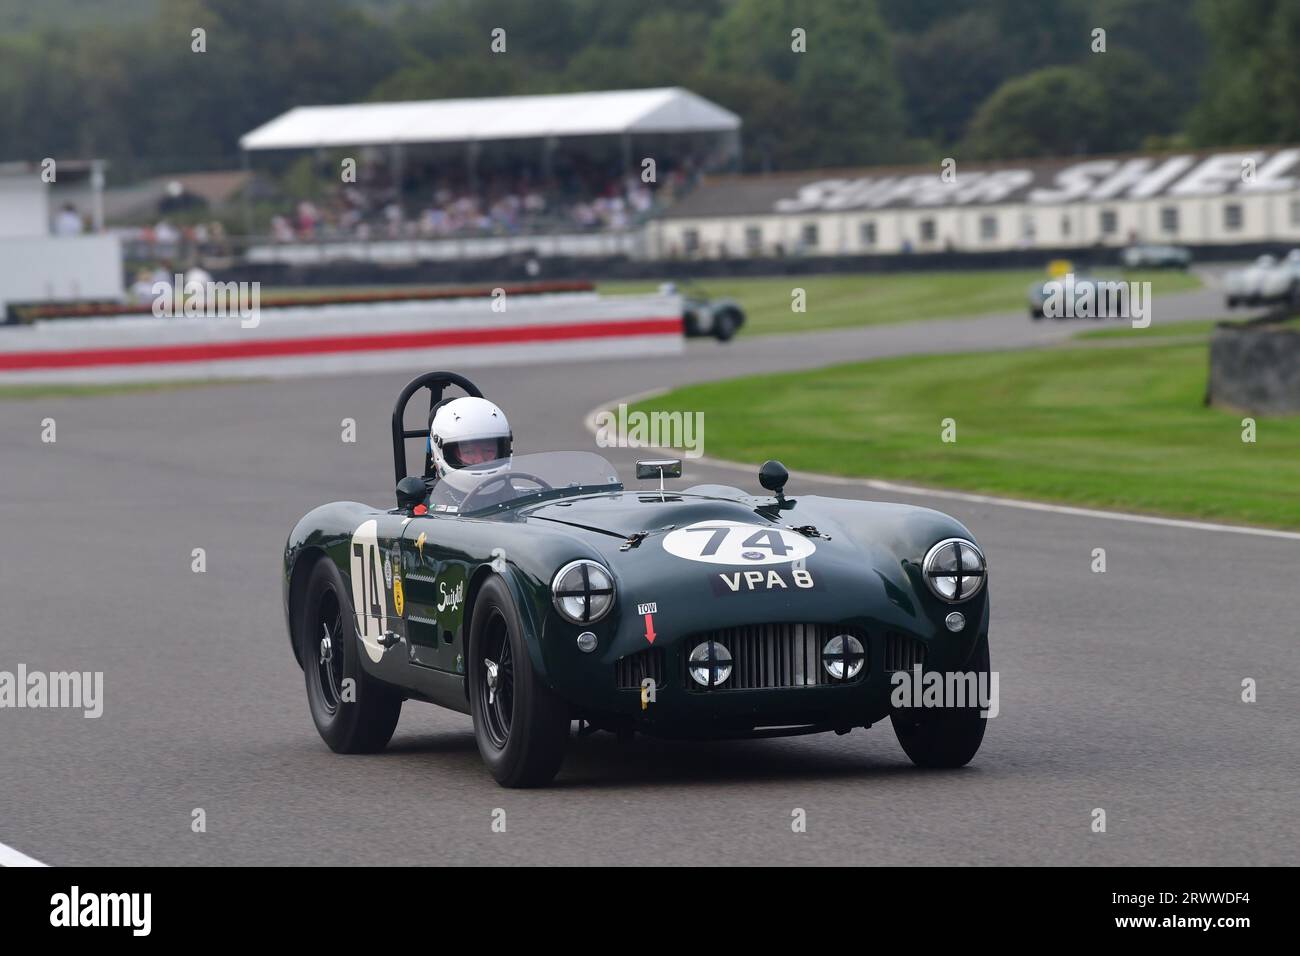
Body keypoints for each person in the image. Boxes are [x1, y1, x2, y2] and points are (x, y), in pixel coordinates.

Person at [426, 397, 515, 508]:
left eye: (488, 450)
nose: (480, 460)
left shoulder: (520, 497)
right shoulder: (425, 510)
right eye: (468, 452)